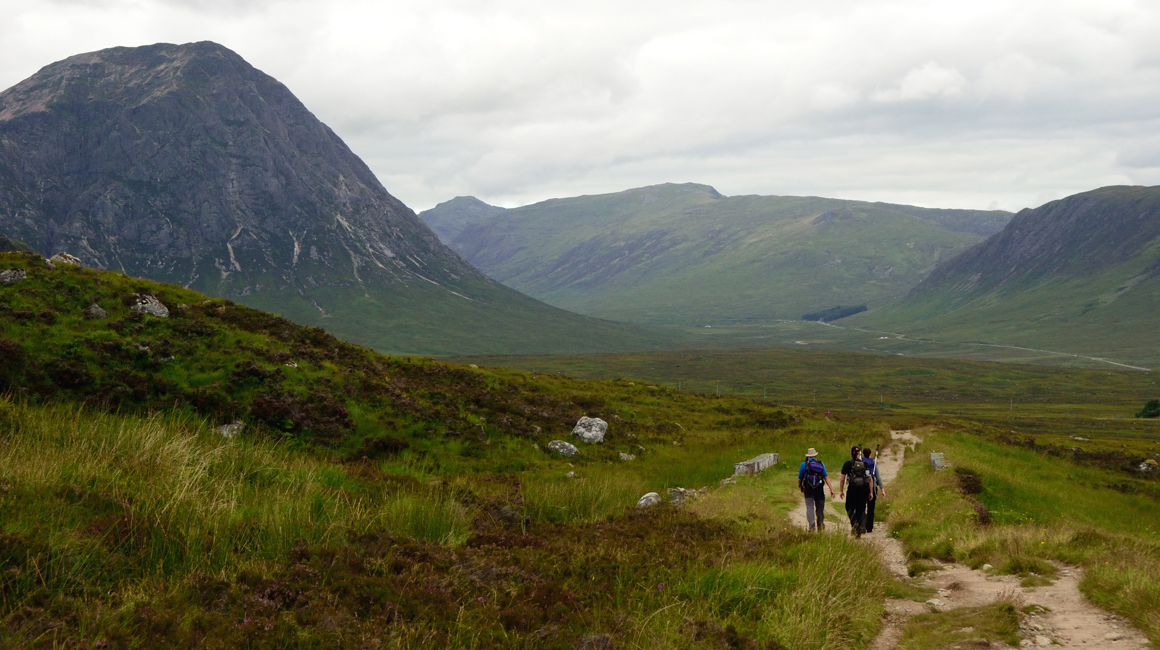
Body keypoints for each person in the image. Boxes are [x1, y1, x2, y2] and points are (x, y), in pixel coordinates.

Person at [839, 445, 875, 537]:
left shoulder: (847, 464)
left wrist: (841, 490)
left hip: (852, 490)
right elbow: (870, 479)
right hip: (863, 491)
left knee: (849, 507)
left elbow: (842, 479)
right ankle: (858, 528)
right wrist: (871, 492)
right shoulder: (865, 464)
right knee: (860, 509)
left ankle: (854, 524)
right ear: (859, 454)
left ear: (851, 453)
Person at [798, 448, 835, 531]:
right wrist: (831, 490)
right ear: (815, 455)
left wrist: (801, 486)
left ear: (808, 456)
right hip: (819, 489)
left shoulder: (804, 464)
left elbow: (799, 478)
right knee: (820, 507)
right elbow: (826, 478)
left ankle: (811, 526)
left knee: (810, 507)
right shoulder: (821, 464)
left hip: (808, 489)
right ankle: (820, 524)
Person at [862, 447, 886, 533]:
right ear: (870, 454)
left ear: (863, 454)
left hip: (862, 487)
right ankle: (869, 527)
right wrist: (882, 489)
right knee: (871, 508)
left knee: (862, 507)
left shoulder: (860, 462)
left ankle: (862, 524)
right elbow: (878, 477)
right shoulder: (874, 463)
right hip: (873, 487)